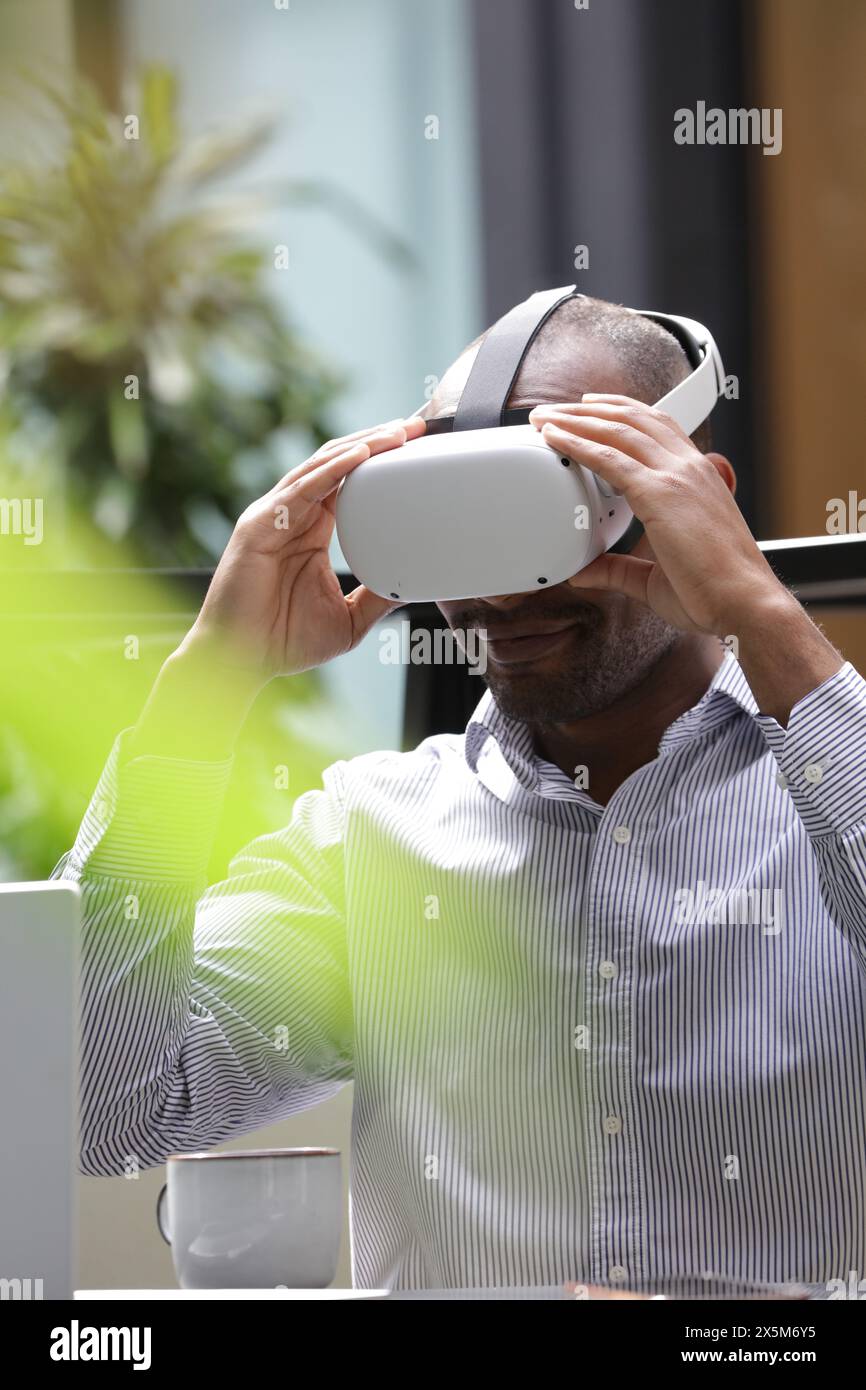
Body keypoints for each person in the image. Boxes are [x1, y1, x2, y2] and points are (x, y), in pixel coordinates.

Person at [56, 295, 865, 1293]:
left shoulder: (829, 801)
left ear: (693, 498)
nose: (498, 594)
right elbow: (100, 1111)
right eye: (456, 520)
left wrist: (758, 613)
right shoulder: (376, 834)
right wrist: (204, 691)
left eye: (558, 509)